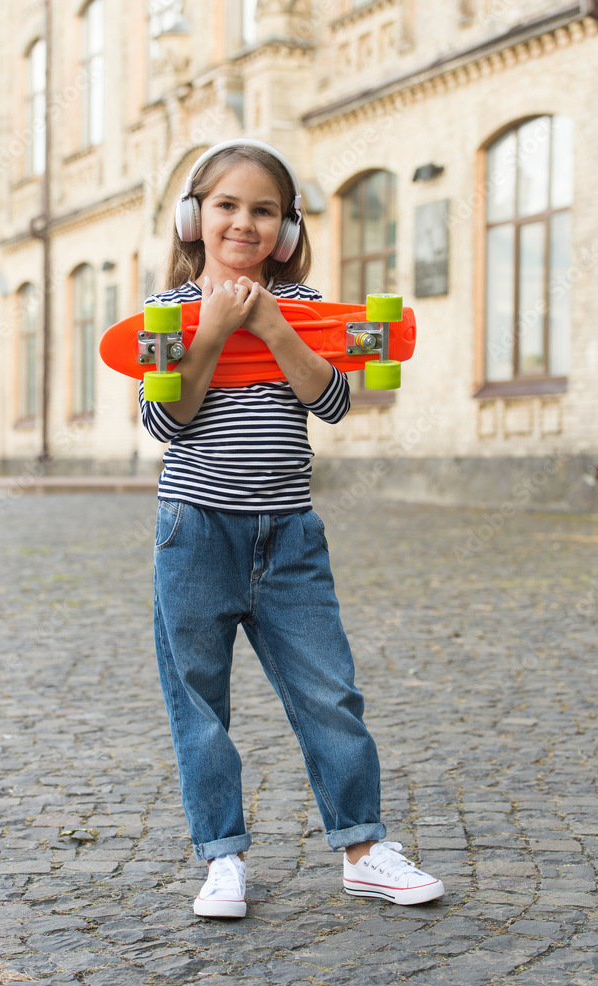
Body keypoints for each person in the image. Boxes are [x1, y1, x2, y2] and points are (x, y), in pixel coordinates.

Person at [140, 138, 444, 918]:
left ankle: (365, 849)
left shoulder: (306, 311)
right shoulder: (166, 314)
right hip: (196, 533)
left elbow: (336, 402)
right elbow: (162, 420)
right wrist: (211, 331)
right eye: (227, 206)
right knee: (199, 705)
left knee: (330, 693)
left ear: (285, 228)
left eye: (263, 210)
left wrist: (275, 329)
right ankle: (223, 860)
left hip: (290, 537)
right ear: (193, 218)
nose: (244, 222)